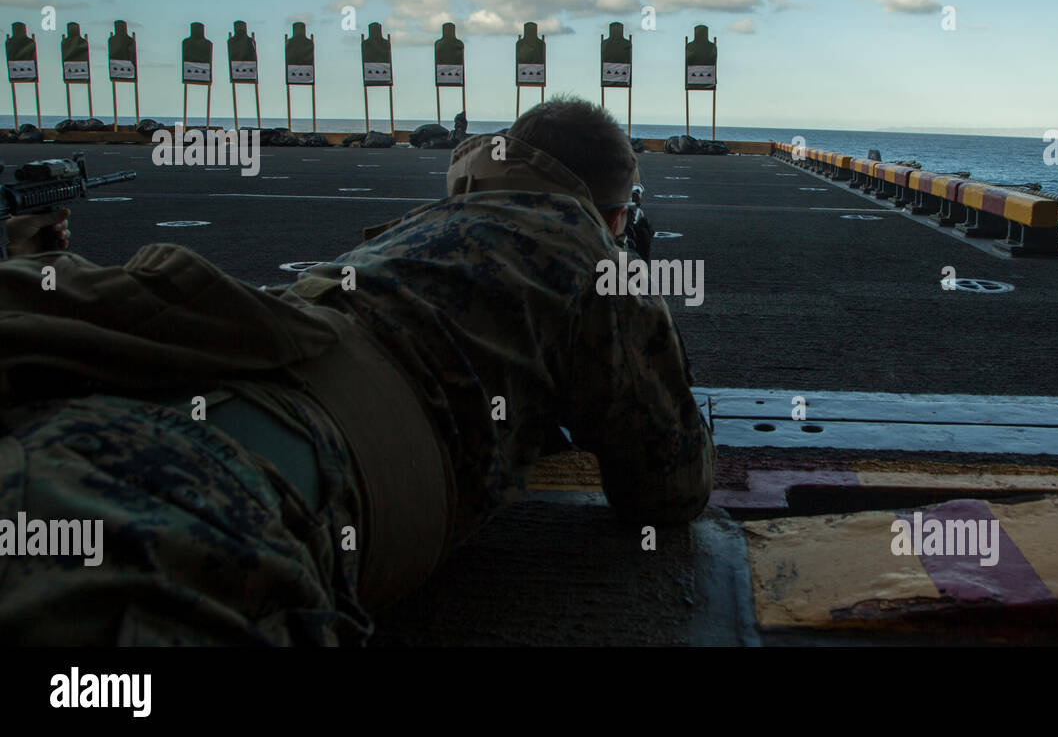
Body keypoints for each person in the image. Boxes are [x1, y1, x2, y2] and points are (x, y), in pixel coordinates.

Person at [0, 96, 714, 645]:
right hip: (217, 500)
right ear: (613, 213)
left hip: (126, 409)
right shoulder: (589, 253)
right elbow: (668, 485)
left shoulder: (419, 229)